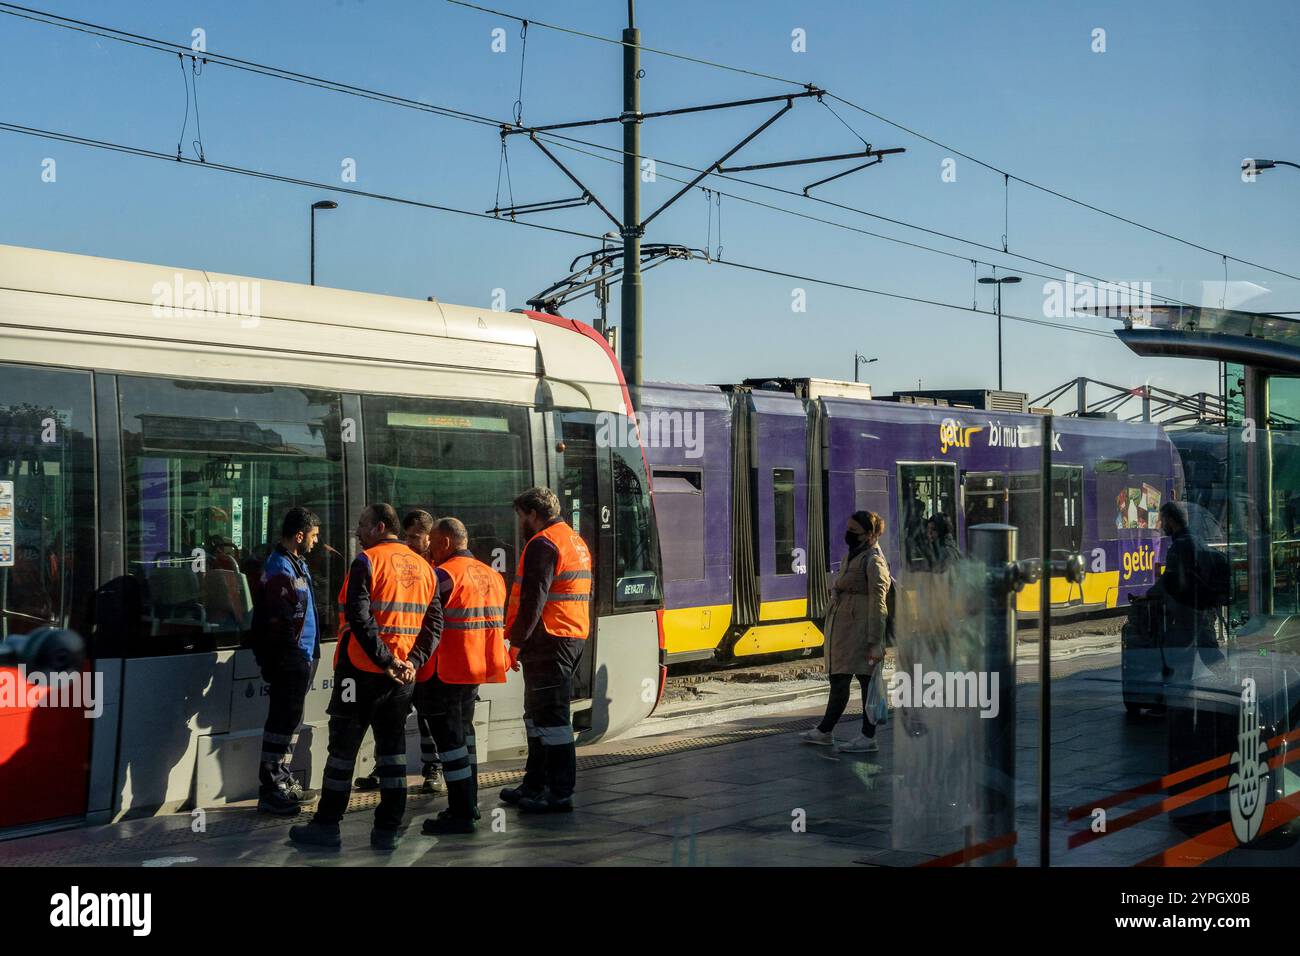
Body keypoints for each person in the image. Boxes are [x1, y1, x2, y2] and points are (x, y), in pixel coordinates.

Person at [289, 503, 443, 851]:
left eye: (362, 525)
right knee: (393, 752)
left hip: (359, 674)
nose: (357, 532)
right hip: (403, 678)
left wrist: (385, 660)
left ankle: (327, 825)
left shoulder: (367, 562)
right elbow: (435, 625)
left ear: (379, 527)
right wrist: (411, 662)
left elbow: (360, 618)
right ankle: (387, 829)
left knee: (342, 750)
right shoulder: (426, 568)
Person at [498, 487, 592, 813]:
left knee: (551, 718)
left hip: (550, 639)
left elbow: (532, 600)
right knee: (537, 716)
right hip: (568, 635)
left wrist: (516, 643)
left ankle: (559, 791)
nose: (520, 524)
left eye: (522, 517)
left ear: (533, 514)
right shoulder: (573, 540)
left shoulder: (543, 543)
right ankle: (535, 784)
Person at [416, 517, 509, 835]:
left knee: (451, 742)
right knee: (465, 738)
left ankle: (461, 812)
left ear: (444, 543)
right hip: (477, 669)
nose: (430, 550)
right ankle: (468, 804)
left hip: (447, 670)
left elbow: (426, 623)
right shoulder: (492, 575)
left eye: (433, 544)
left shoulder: (444, 576)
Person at [354, 509, 445, 795]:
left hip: (422, 659)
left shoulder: (435, 568)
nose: (409, 541)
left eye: (416, 537)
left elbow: (436, 621)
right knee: (391, 719)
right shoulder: (406, 563)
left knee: (426, 717)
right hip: (402, 660)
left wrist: (413, 659)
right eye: (406, 535)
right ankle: (384, 768)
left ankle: (434, 768)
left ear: (430, 539)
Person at [249, 507, 321, 815]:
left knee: (288, 721)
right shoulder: (280, 568)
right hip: (289, 659)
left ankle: (282, 778)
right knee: (280, 721)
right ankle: (271, 787)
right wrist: (292, 658)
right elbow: (278, 620)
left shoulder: (296, 564)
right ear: (300, 536)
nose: (316, 543)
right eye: (314, 537)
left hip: (299, 657)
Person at [803, 510, 891, 753]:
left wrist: (875, 641)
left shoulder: (874, 561)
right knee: (839, 678)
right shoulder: (854, 555)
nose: (849, 534)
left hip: (861, 630)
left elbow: (879, 603)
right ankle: (825, 730)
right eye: (848, 529)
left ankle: (867, 736)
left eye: (855, 531)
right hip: (845, 629)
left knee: (865, 682)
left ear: (871, 534)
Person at [1148, 500, 1222, 665]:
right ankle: (1228, 682)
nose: (1161, 525)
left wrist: (1148, 595)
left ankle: (1231, 685)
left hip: (1192, 610)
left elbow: (1169, 579)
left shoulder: (1180, 546)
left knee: (1203, 656)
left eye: (1163, 520)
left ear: (1172, 521)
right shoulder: (1195, 540)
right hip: (1201, 608)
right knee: (1203, 654)